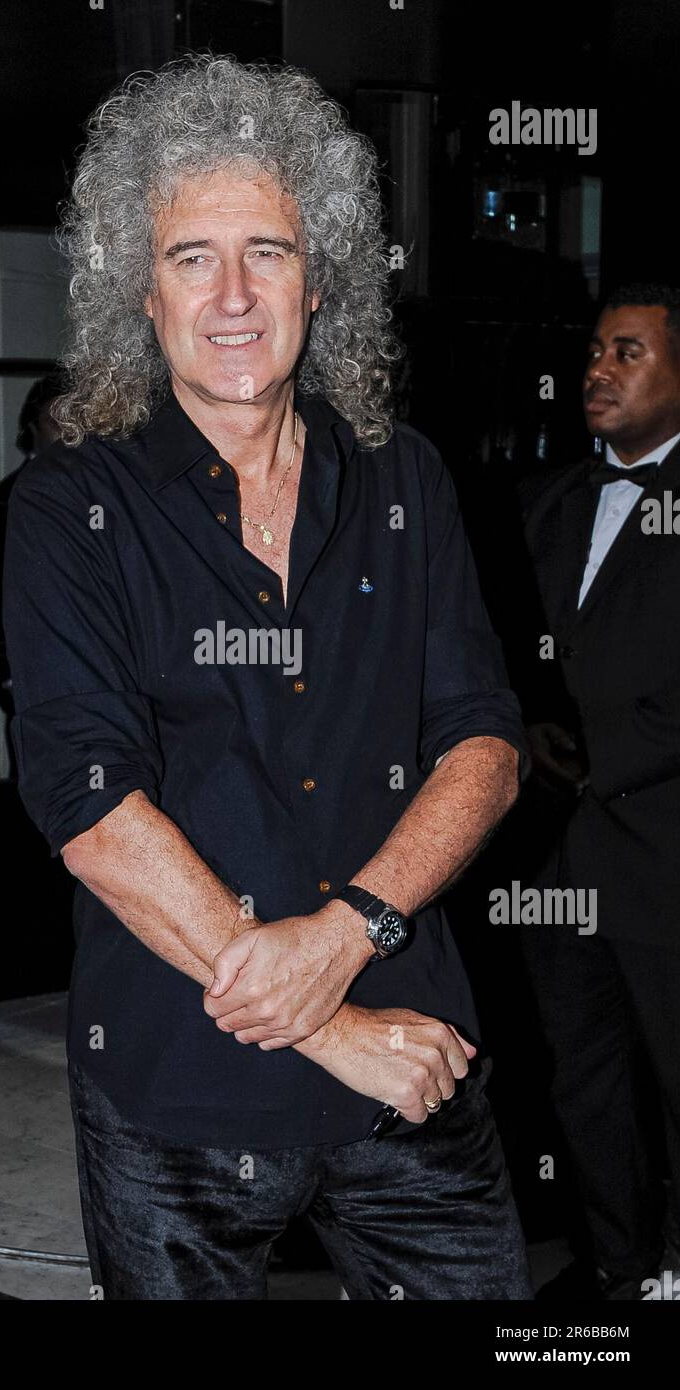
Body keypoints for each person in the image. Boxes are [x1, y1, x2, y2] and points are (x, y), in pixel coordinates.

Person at [2, 54, 533, 1301]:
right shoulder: (68, 505)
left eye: (270, 253)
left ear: (321, 276)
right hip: (181, 1093)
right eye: (193, 257)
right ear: (140, 288)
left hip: (415, 1063)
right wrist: (328, 1025)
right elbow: (90, 808)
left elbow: (486, 744)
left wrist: (353, 933)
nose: (233, 296)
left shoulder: (407, 480)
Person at [515, 283, 680, 1300]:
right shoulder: (547, 500)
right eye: (592, 352)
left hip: (665, 851)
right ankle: (621, 1268)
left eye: (627, 352)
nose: (597, 369)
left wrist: (589, 754)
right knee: (583, 1083)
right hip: (551, 853)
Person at [0, 372, 66, 775]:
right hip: (29, 669)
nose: (68, 431)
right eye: (56, 419)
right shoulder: (7, 499)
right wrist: (7, 669)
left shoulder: (96, 490)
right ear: (32, 426)